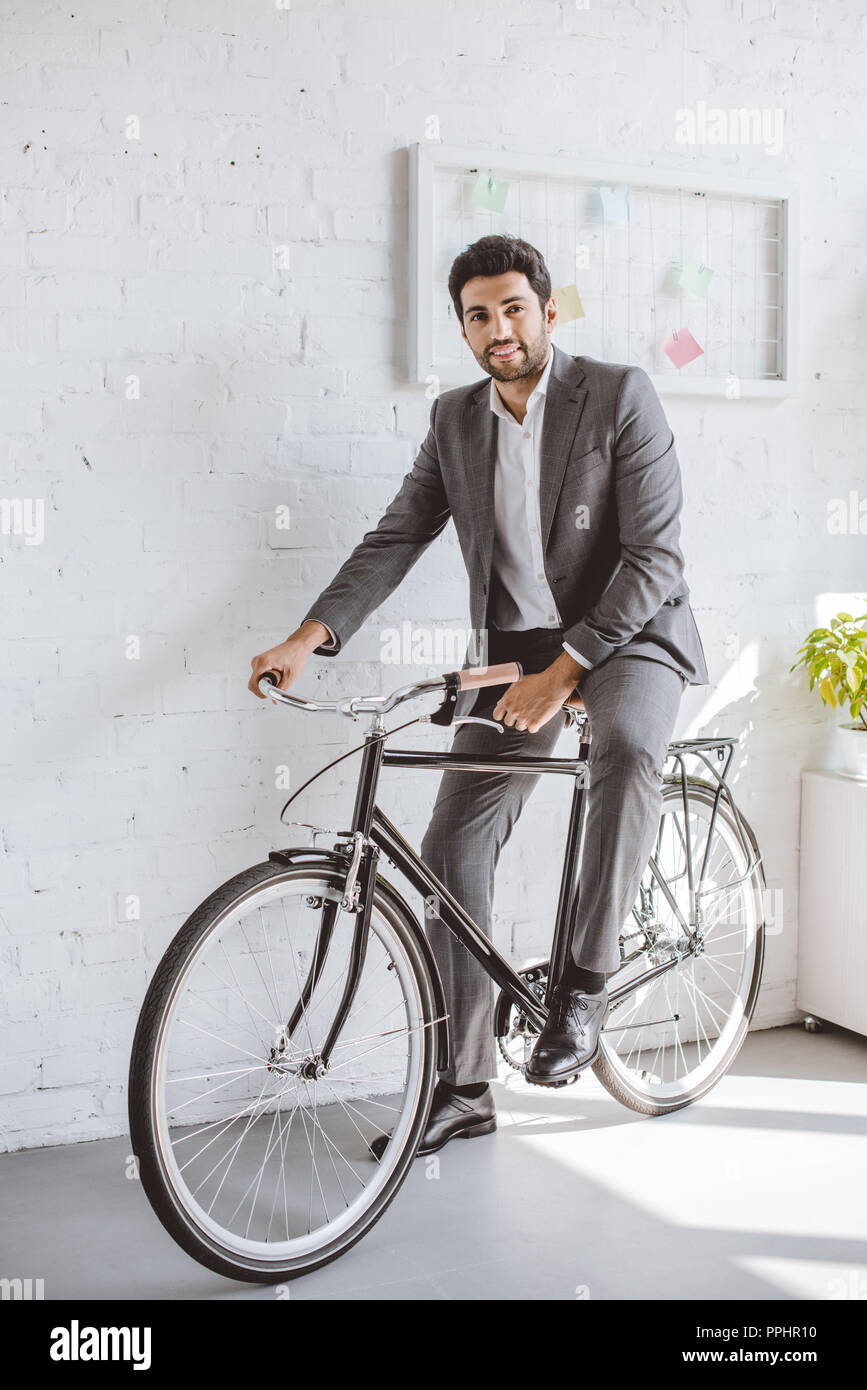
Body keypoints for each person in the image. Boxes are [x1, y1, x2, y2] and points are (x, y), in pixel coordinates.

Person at [248, 233, 709, 1157]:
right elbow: (395, 537)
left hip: (633, 634)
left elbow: (654, 556)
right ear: (461, 328)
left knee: (622, 751)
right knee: (450, 844)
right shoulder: (456, 420)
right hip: (518, 654)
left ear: (545, 308)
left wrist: (567, 671)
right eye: (477, 315)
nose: (498, 328)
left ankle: (581, 987)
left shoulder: (617, 394)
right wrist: (312, 635)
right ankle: (463, 1088)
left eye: (512, 308)